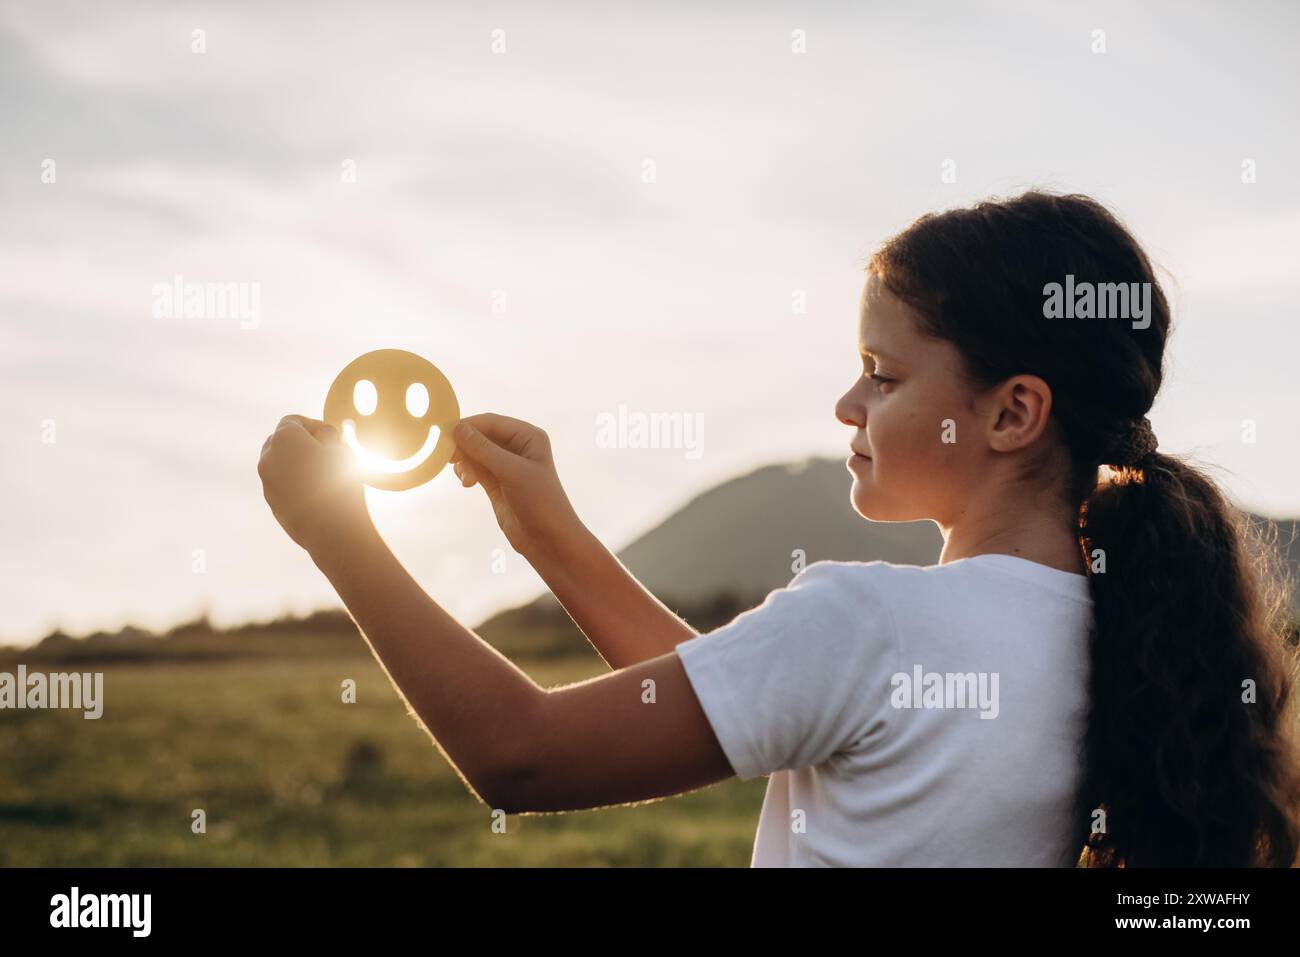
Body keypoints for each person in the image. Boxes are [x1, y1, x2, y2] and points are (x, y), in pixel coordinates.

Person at [257, 190, 1300, 866]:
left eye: (882, 377)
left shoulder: (869, 620)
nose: (847, 407)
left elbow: (519, 758)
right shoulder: (1123, 639)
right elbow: (744, 693)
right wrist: (550, 538)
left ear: (1010, 412)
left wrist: (331, 530)